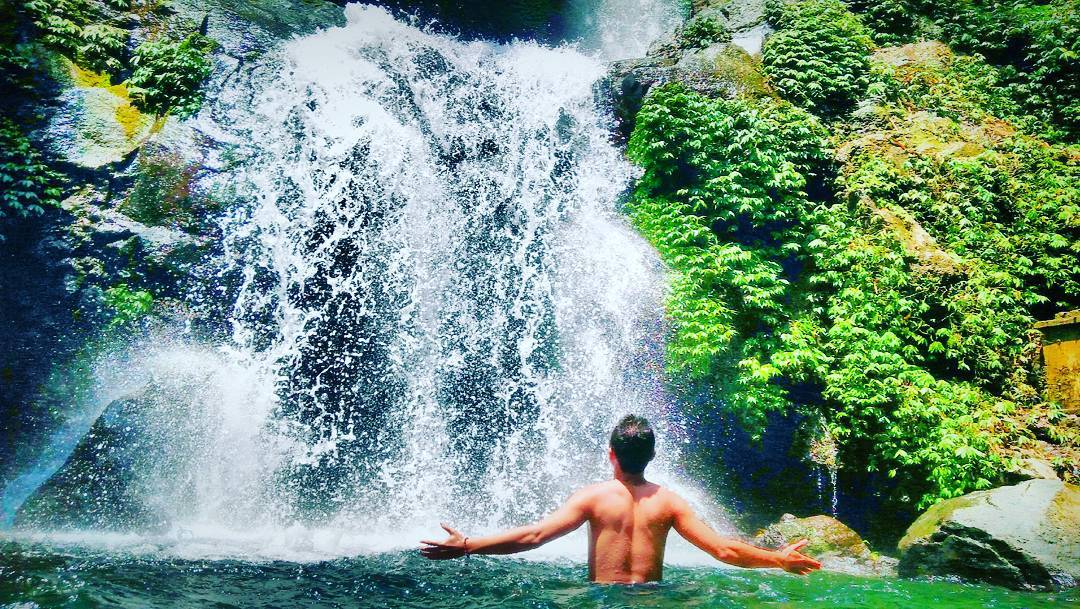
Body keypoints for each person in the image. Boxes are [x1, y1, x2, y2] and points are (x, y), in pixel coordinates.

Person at [420, 414, 822, 583]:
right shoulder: (670, 502)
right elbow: (724, 551)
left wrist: (468, 545)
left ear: (611, 454)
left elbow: (534, 537)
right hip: (652, 601)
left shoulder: (593, 498)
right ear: (652, 457)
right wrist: (779, 560)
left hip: (602, 601)